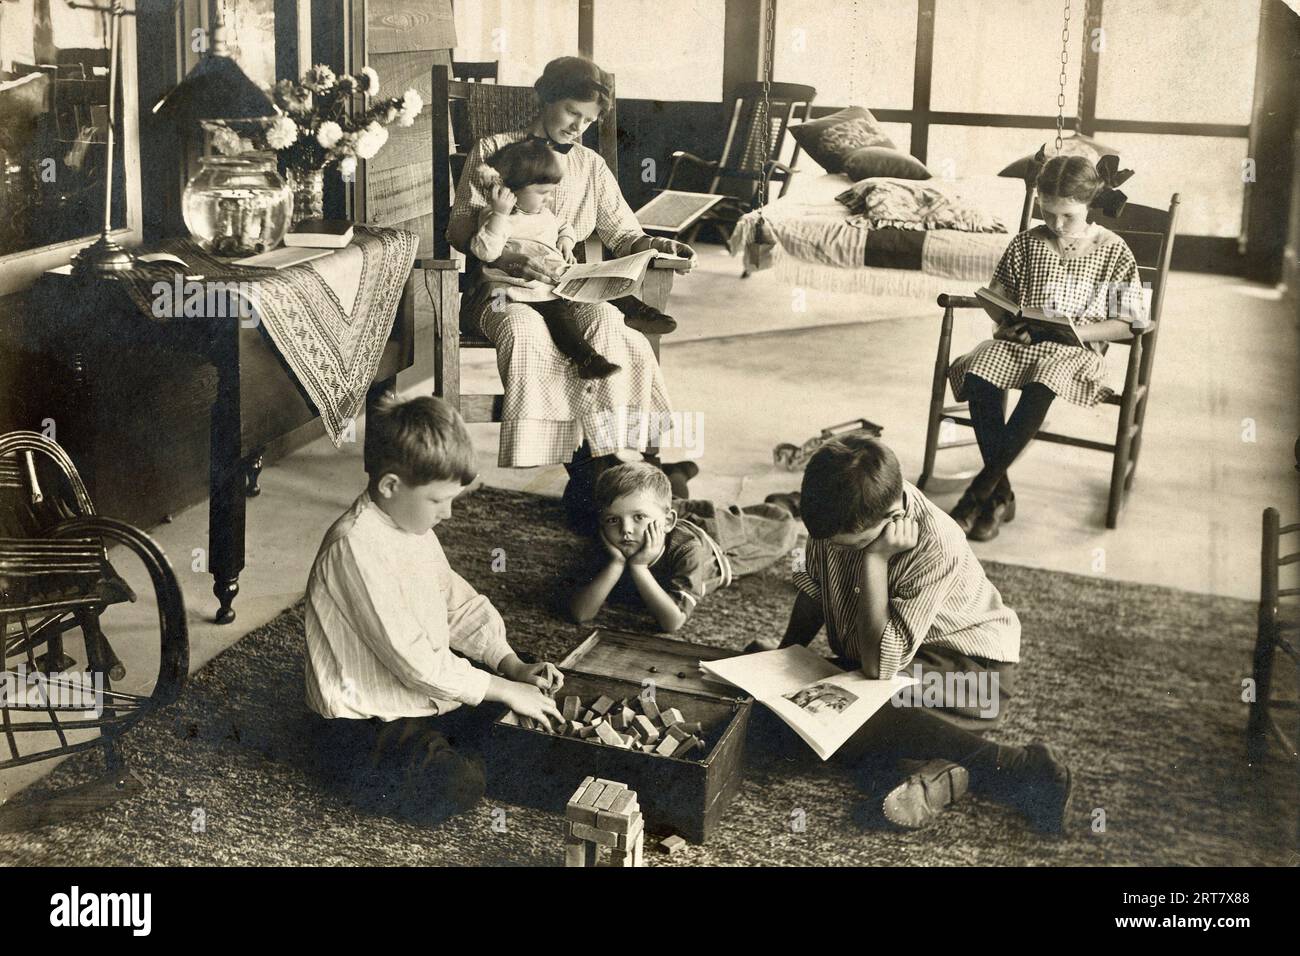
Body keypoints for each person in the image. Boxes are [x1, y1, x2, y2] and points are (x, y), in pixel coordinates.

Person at [752, 435, 1073, 833]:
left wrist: (874, 560)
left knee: (839, 711)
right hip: (900, 664)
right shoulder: (842, 516)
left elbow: (877, 669)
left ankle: (1022, 766)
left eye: (852, 546)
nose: (832, 549)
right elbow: (814, 589)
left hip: (972, 679)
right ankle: (930, 768)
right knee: (795, 711)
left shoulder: (936, 542)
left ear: (891, 519)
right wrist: (783, 655)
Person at [445, 55, 695, 529]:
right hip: (500, 291)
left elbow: (623, 233)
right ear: (545, 98)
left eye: (588, 121)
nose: (578, 128)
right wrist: (509, 257)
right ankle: (591, 471)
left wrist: (654, 244)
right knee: (528, 333)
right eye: (570, 114)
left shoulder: (590, 166)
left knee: (607, 324)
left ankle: (606, 462)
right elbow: (459, 230)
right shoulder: (494, 149)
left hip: (563, 288)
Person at [303, 394, 565, 825]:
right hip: (363, 726)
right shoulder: (355, 546)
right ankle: (472, 760)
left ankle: (477, 744)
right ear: (390, 486)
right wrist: (500, 689)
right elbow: (414, 662)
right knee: (456, 783)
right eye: (439, 500)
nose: (447, 514)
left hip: (417, 699)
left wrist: (511, 665)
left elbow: (456, 605)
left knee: (512, 705)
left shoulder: (410, 523)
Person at [947, 154, 1147, 541]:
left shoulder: (1113, 250)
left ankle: (976, 497)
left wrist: (1076, 332)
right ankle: (1000, 494)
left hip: (1076, 351)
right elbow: (1002, 298)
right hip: (1021, 344)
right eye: (1047, 211)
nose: (1055, 224)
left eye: (1067, 216)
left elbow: (1128, 322)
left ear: (1089, 205)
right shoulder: (1025, 244)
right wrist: (1007, 323)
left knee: (1044, 381)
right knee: (978, 367)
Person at [471, 136, 677, 381]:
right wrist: (500, 213)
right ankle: (586, 359)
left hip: (554, 281)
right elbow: (486, 251)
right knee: (559, 315)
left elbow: (564, 226)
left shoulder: (544, 213)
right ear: (511, 189)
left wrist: (566, 240)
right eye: (542, 192)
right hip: (516, 290)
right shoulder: (498, 217)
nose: (548, 199)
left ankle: (642, 313)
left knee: (601, 283)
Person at [569, 462, 799, 633]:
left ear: (668, 522)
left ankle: (785, 501)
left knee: (779, 531)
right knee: (673, 500)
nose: (625, 530)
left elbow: (673, 622)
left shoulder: (688, 549)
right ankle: (679, 472)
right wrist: (617, 563)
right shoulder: (614, 538)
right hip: (667, 517)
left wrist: (638, 567)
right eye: (612, 520)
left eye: (637, 517)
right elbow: (580, 614)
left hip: (715, 538)